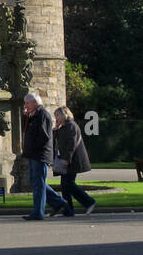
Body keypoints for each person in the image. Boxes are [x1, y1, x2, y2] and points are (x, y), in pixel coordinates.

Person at [20, 92, 66, 220]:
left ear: (35, 102)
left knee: (38, 183)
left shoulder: (43, 115)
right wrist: (25, 116)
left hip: (39, 154)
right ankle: (58, 202)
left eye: (27, 103)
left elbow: (44, 136)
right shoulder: (33, 115)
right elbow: (24, 129)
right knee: (36, 183)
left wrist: (33, 148)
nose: (26, 105)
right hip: (33, 154)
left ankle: (38, 212)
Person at [53, 106, 96, 217]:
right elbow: (58, 142)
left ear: (64, 115)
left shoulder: (71, 126)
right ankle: (68, 210)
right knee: (65, 185)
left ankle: (89, 201)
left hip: (73, 160)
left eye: (57, 115)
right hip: (67, 160)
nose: (56, 118)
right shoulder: (63, 127)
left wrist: (67, 159)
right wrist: (56, 130)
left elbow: (71, 144)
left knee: (69, 183)